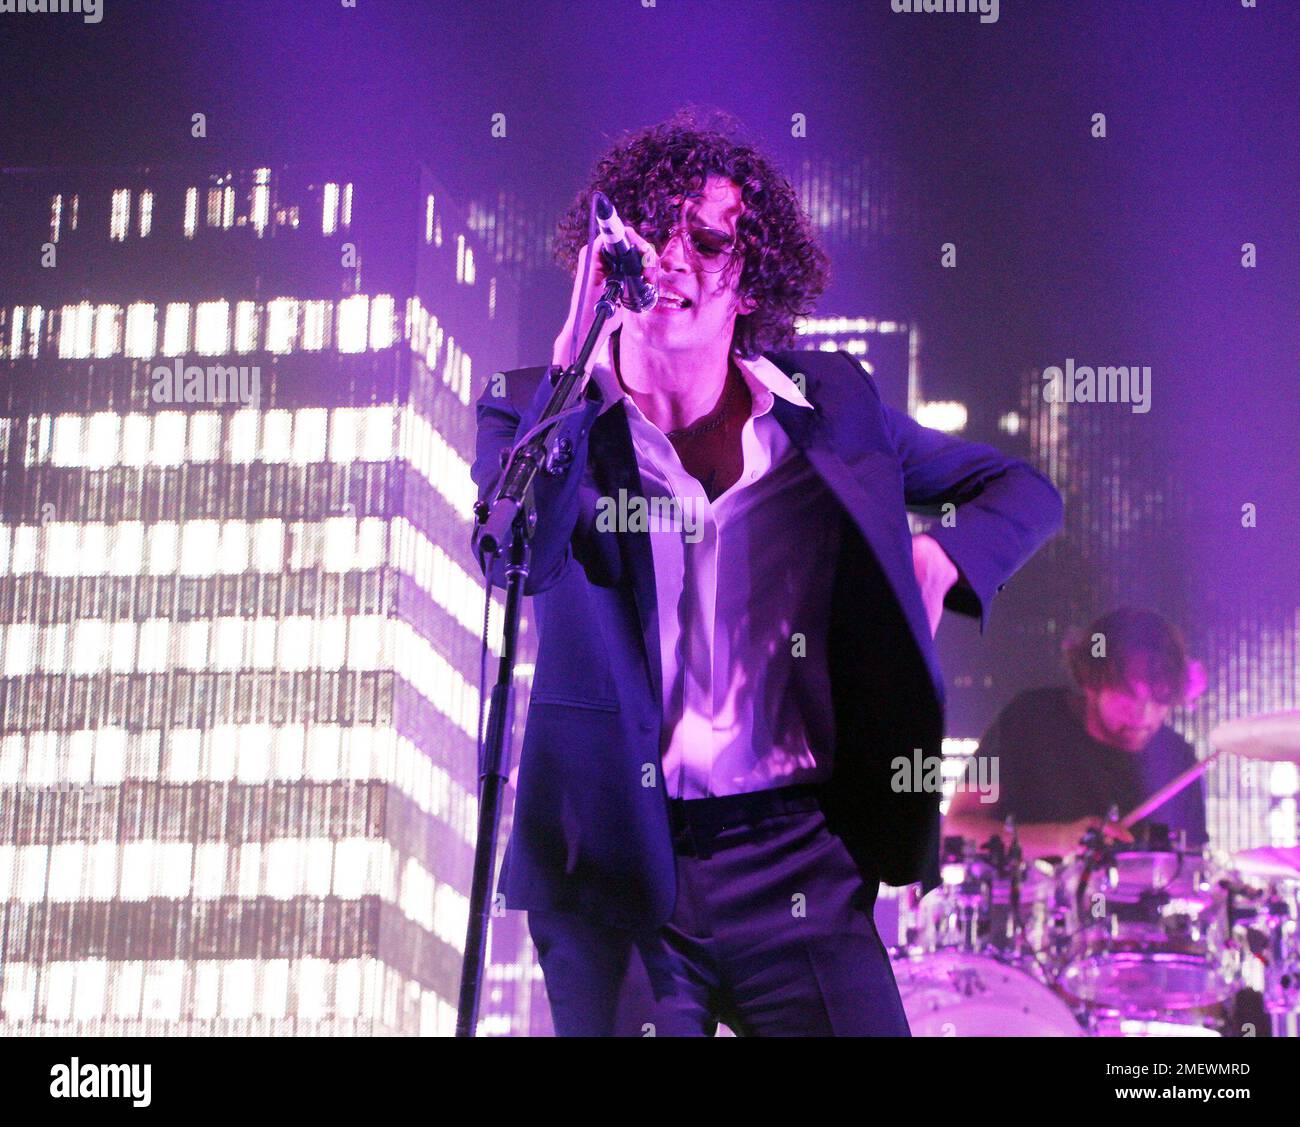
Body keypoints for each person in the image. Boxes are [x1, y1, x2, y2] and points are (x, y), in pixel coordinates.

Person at [470, 108, 1063, 1036]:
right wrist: (569, 361)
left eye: (704, 240)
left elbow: (1021, 489)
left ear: (751, 278)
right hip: (619, 864)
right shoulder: (533, 413)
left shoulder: (831, 410)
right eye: (647, 232)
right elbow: (518, 554)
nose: (670, 260)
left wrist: (938, 557)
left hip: (795, 866)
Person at [946, 607, 1209, 860]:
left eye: (1160, 699)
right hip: (1031, 902)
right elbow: (957, 827)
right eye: (1128, 695)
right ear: (1090, 680)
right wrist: (1061, 839)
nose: (1144, 716)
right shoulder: (1026, 719)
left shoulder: (1179, 758)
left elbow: (1192, 870)